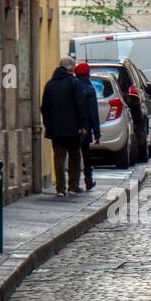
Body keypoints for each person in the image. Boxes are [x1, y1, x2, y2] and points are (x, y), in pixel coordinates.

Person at [40, 57, 86, 197]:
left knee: (58, 158)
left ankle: (60, 188)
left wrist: (49, 124)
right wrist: (83, 125)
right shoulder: (74, 83)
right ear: (71, 68)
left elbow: (44, 108)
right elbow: (80, 105)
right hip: (73, 129)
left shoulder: (50, 84)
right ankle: (73, 186)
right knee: (74, 157)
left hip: (55, 129)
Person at [73, 62, 102, 191]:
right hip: (86, 127)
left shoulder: (72, 87)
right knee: (86, 155)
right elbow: (93, 113)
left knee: (74, 156)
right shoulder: (90, 89)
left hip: (73, 126)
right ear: (88, 74)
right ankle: (88, 180)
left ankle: (75, 183)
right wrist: (97, 133)